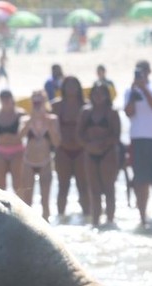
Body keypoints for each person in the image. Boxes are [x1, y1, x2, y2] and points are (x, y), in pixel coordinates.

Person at [125, 60, 152, 227]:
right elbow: (129, 112)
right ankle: (142, 218)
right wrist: (134, 93)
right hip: (138, 139)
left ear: (149, 71)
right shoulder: (130, 89)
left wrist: (144, 88)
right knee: (140, 180)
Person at [77, 83, 121, 227]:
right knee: (94, 190)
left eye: (102, 93)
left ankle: (109, 221)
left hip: (107, 153)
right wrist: (88, 146)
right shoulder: (85, 112)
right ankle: (95, 223)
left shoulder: (112, 112)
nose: (98, 96)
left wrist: (102, 144)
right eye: (95, 93)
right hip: (90, 152)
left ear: (107, 96)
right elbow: (79, 134)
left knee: (109, 189)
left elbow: (116, 135)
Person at [17, 90, 61, 221]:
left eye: (39, 102)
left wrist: (48, 123)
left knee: (45, 202)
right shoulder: (25, 119)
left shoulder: (52, 119)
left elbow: (57, 142)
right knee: (27, 202)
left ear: (45, 102)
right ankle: (27, 230)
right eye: (35, 102)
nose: (37, 105)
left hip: (46, 162)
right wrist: (31, 119)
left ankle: (46, 228)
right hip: (28, 162)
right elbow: (19, 138)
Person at [52, 76, 89, 219]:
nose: (71, 87)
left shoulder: (85, 105)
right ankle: (60, 219)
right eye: (68, 84)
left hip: (81, 150)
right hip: (62, 150)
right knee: (62, 186)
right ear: (63, 87)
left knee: (83, 187)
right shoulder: (56, 106)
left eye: (75, 84)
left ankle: (88, 218)